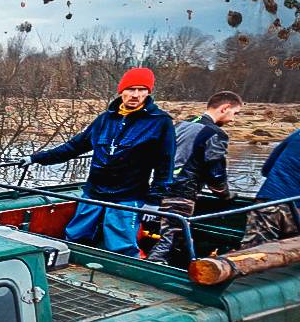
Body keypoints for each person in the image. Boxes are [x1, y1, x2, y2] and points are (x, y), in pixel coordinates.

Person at [26, 67, 176, 257]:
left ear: (148, 93)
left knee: (122, 247)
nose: (135, 95)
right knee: (75, 236)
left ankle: (122, 273)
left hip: (127, 198)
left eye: (141, 90)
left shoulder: (160, 122)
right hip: (93, 193)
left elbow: (165, 165)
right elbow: (74, 147)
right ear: (121, 91)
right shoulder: (105, 119)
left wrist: (154, 201)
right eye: (131, 89)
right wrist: (36, 158)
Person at [149, 91, 243, 265]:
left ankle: (183, 267)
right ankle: (151, 269)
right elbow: (215, 172)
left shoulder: (182, 124)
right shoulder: (215, 134)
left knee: (175, 237)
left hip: (159, 188)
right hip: (181, 192)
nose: (233, 119)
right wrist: (225, 194)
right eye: (235, 113)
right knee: (171, 238)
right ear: (225, 108)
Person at [242, 125, 300, 247]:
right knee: (292, 253)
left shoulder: (297, 134)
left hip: (270, 201)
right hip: (295, 209)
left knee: (253, 252)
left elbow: (266, 168)